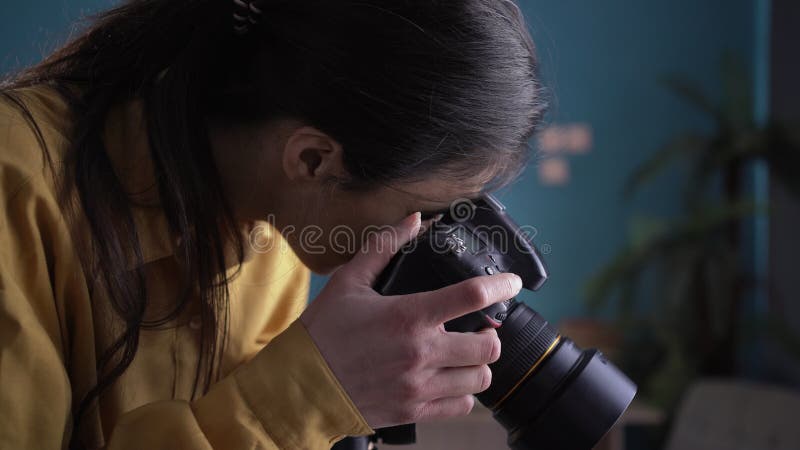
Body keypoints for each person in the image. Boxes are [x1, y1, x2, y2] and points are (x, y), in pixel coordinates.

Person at [0, 0, 548, 448]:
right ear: (312, 159)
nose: (433, 237)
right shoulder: (17, 191)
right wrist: (311, 394)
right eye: (428, 213)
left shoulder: (278, 224)